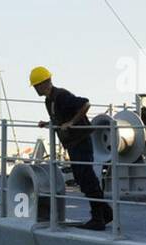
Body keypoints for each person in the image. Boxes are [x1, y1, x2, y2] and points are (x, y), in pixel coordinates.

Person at [31, 66, 111, 230]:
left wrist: (73, 123)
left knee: (86, 178)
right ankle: (106, 213)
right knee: (82, 179)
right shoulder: (49, 100)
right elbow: (61, 118)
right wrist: (48, 124)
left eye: (36, 85)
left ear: (45, 83)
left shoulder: (61, 96)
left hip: (80, 141)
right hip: (73, 144)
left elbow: (85, 103)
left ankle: (98, 219)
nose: (35, 89)